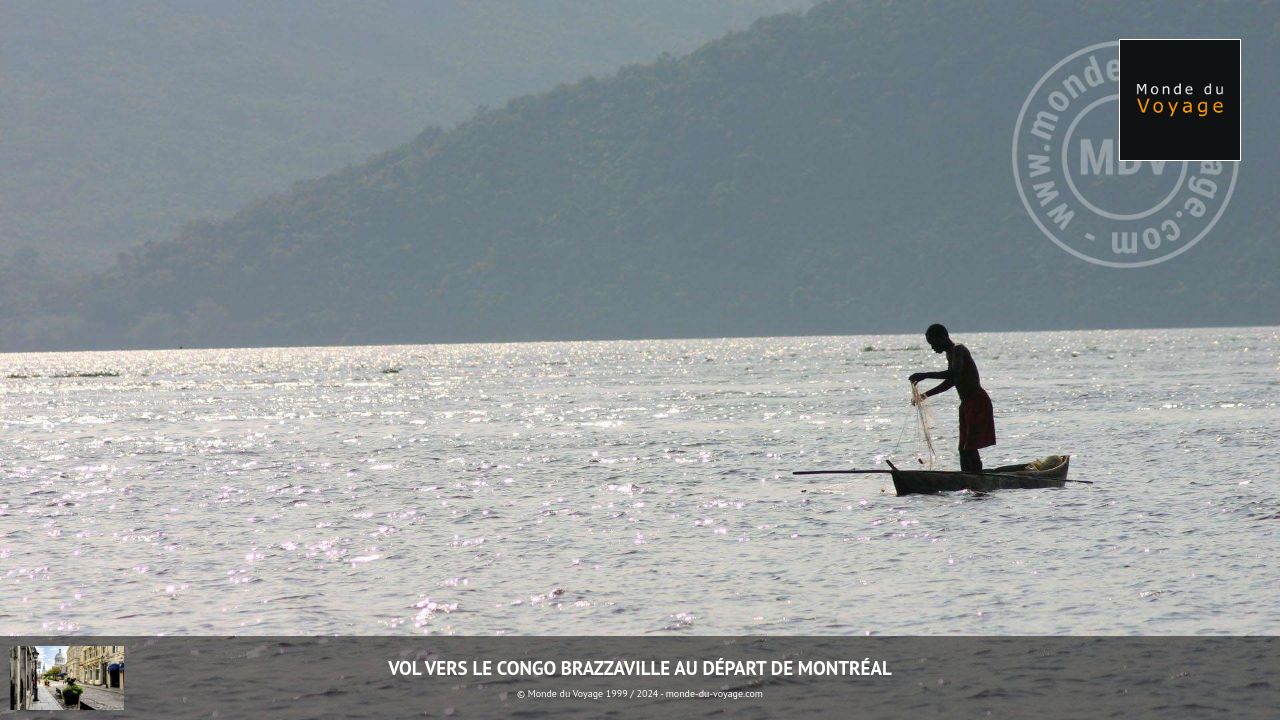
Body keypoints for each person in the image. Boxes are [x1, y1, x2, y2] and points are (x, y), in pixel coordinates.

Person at [908, 324, 995, 472]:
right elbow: (951, 382)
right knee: (963, 448)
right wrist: (924, 395)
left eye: (933, 343)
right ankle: (967, 478)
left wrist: (924, 375)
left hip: (977, 402)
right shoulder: (950, 354)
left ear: (943, 337)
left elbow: (954, 373)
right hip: (967, 404)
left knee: (970, 447)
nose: (933, 348)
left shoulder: (958, 349)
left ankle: (976, 480)